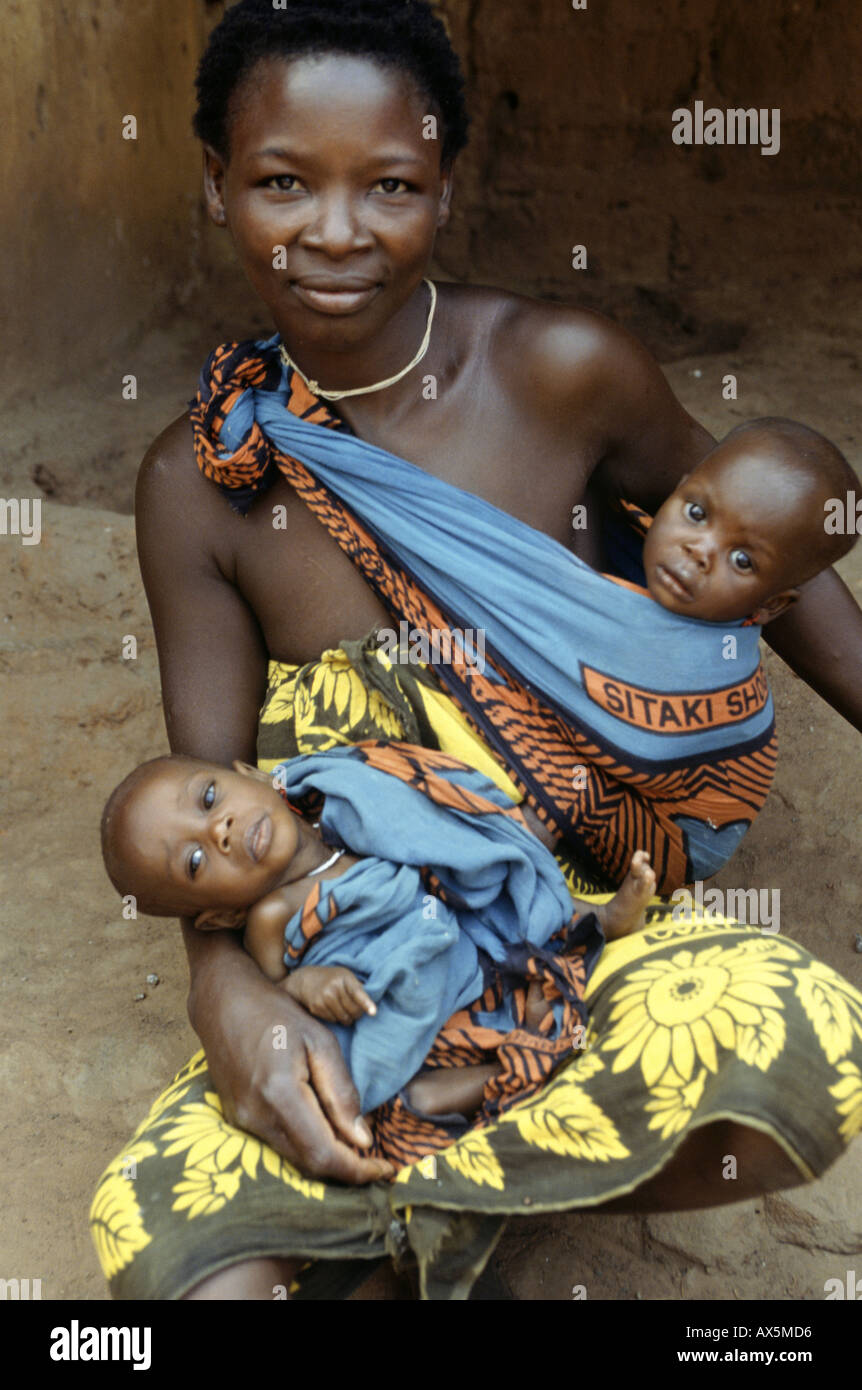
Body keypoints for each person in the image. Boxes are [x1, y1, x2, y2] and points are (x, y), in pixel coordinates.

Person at [90, 0, 862, 1301]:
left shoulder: (561, 371)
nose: (335, 233)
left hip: (581, 923)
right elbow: (209, 795)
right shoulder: (201, 479)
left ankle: (412, 1211)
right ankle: (434, 1172)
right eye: (281, 181)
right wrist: (228, 1002)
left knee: (785, 1039)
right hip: (368, 953)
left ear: (443, 183)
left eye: (388, 185)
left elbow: (774, 551)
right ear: (218, 185)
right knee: (169, 1249)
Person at [100, 749, 656, 1129]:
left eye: (209, 798)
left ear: (251, 771)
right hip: (400, 992)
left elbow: (428, 824)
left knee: (490, 888)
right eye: (195, 860)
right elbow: (275, 987)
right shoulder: (273, 912)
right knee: (403, 1093)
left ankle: (596, 922)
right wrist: (307, 982)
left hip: (462, 933)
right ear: (219, 918)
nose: (218, 829)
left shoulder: (344, 800)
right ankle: (507, 1067)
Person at [640, 417, 859, 623]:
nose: (700, 551)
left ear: (770, 604)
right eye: (696, 513)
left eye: (741, 560)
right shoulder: (618, 523)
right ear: (676, 492)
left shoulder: (709, 661)